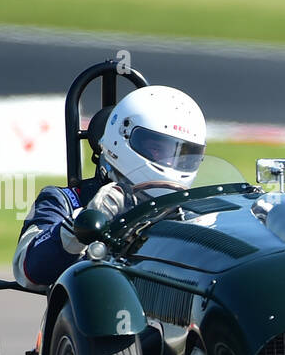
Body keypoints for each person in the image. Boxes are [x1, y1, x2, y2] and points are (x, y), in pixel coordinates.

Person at [12, 85, 207, 289]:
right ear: (122, 136)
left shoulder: (188, 212)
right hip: (91, 313)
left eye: (184, 155)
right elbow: (29, 271)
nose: (170, 162)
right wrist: (82, 222)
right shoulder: (62, 200)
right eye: (158, 149)